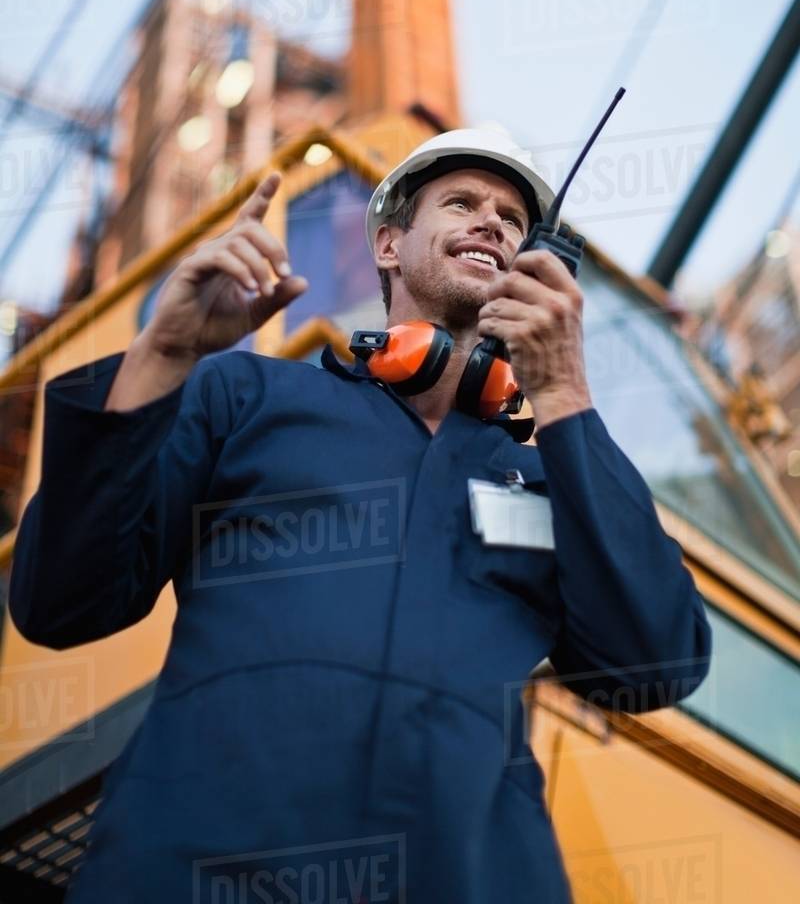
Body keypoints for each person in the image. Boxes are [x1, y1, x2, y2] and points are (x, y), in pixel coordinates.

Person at [9, 129, 712, 903]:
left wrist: (566, 395)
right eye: (462, 203)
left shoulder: (557, 477)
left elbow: (656, 664)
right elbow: (61, 601)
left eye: (513, 219)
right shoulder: (248, 397)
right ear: (387, 244)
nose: (493, 223)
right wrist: (163, 355)